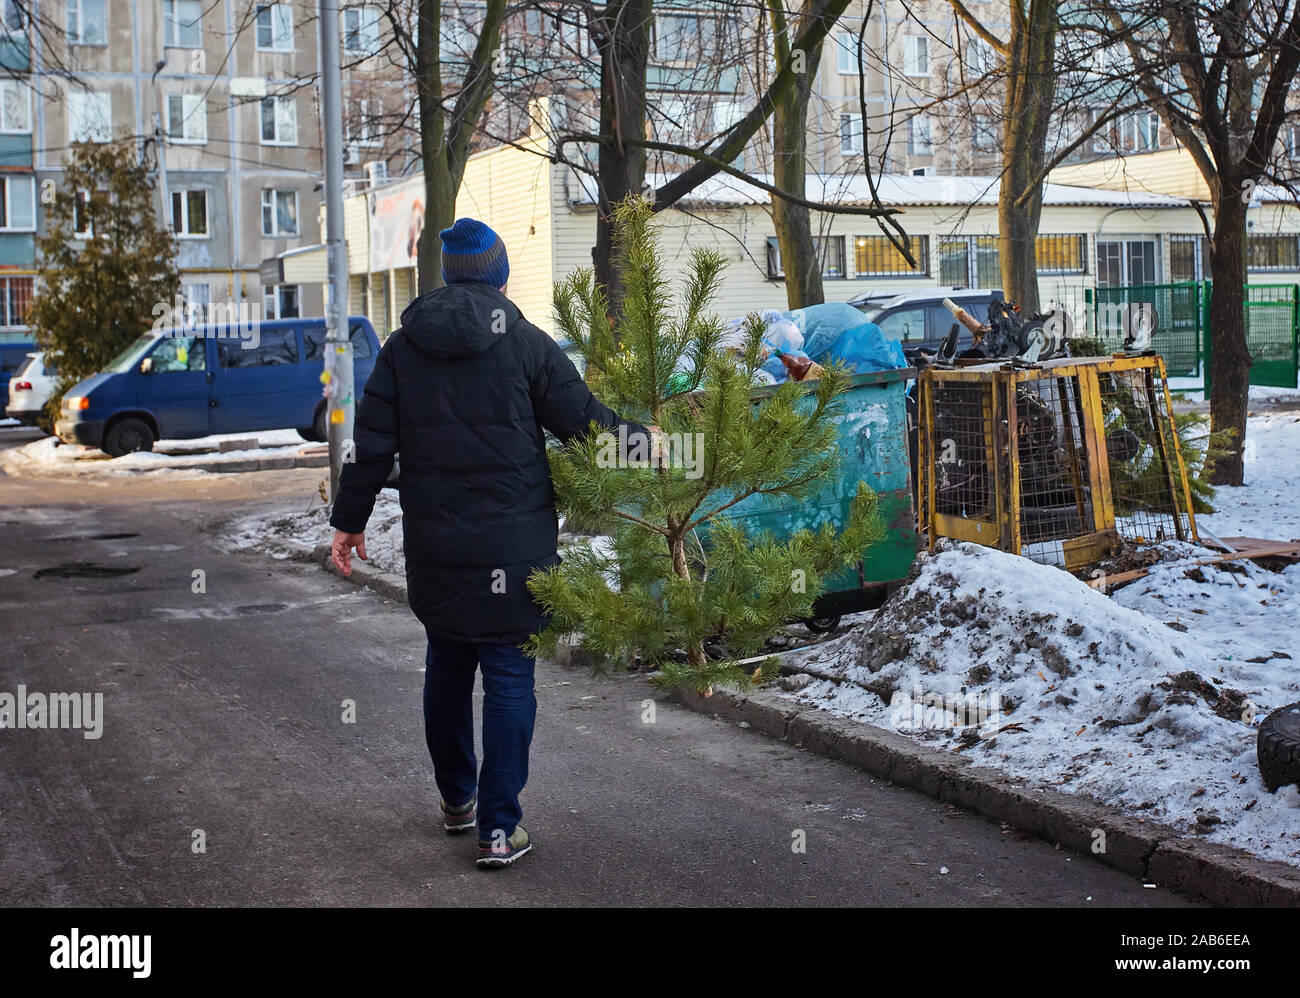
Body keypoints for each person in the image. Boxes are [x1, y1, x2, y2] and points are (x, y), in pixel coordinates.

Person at [329, 217, 652, 869]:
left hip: (438, 547)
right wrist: (662, 447)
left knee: (447, 666)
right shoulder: (526, 342)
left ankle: (457, 803)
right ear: (500, 276)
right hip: (515, 547)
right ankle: (498, 830)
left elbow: (369, 449)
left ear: (446, 275)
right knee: (508, 676)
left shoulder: (401, 348)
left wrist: (349, 521)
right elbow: (589, 428)